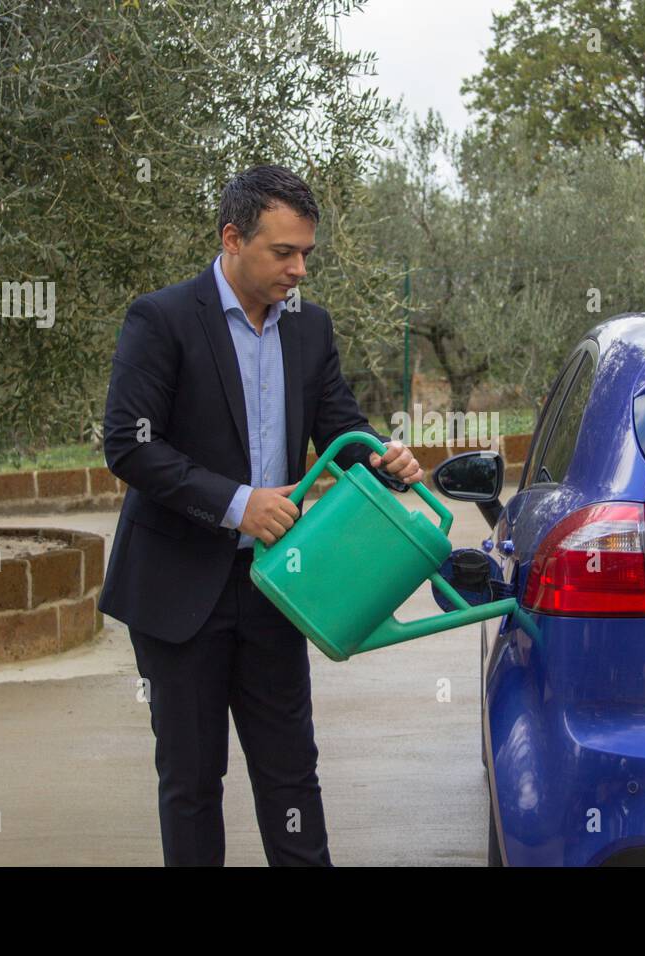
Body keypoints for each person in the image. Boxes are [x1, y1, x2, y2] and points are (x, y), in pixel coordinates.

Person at [99, 164, 424, 866]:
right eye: (284, 252)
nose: (299, 269)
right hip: (177, 593)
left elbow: (342, 426)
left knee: (290, 776)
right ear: (231, 239)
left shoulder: (311, 328)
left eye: (307, 252)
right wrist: (238, 504)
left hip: (282, 585)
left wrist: (383, 460)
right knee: (191, 782)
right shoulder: (161, 319)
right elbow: (128, 444)